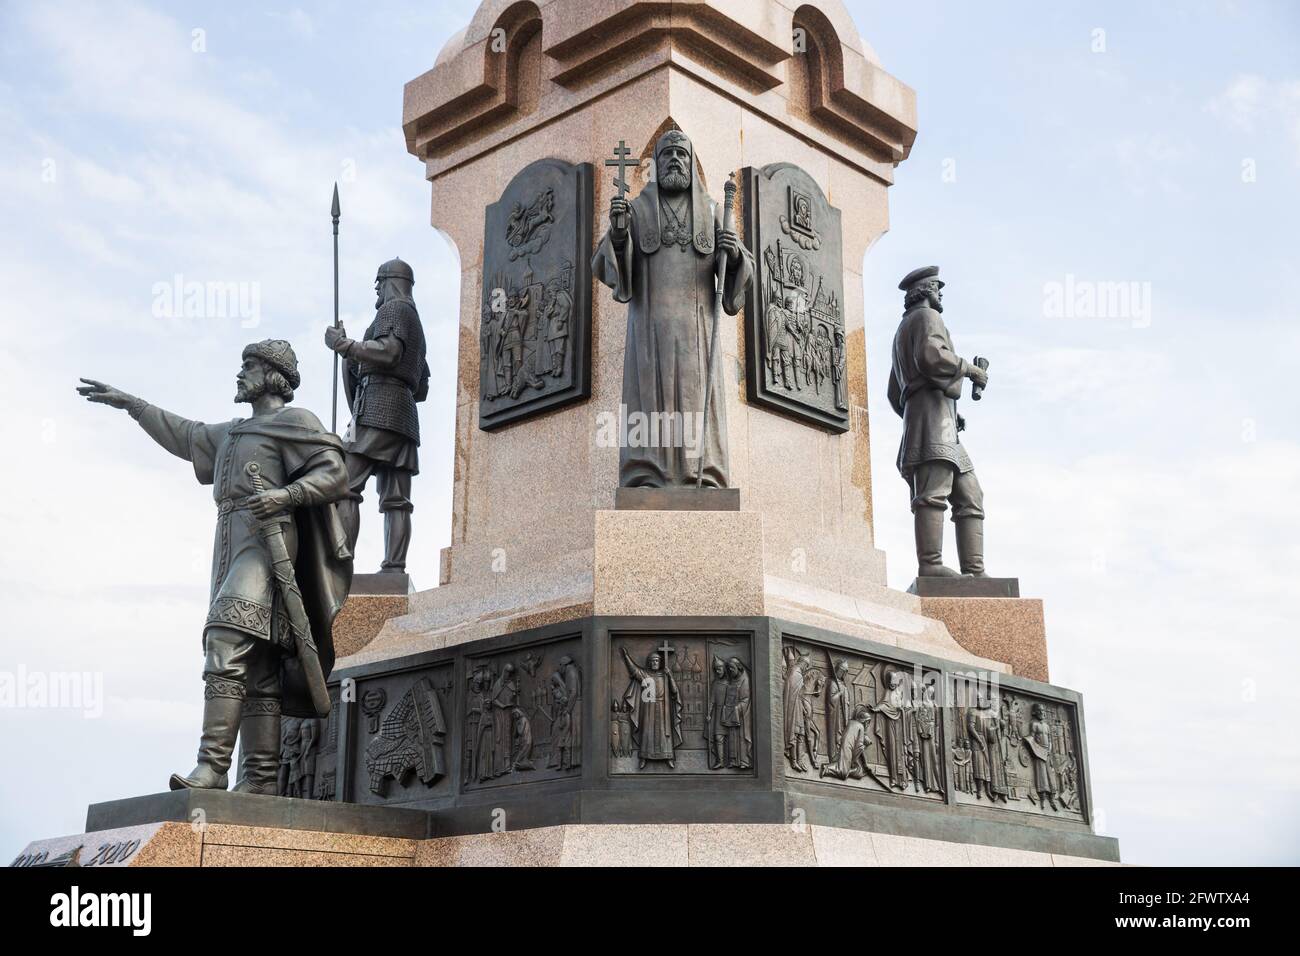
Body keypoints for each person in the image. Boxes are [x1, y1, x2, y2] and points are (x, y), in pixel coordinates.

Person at [77, 340, 352, 793]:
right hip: (228, 542)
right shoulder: (232, 432)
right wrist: (133, 405)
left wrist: (285, 496)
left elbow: (334, 474)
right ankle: (261, 779)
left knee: (224, 639)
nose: (240, 374)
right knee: (259, 662)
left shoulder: (296, 422)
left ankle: (212, 767)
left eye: (248, 366)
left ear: (272, 374)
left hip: (268, 542)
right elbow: (185, 434)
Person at [887, 266, 989, 577]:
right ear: (923, 291)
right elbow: (932, 356)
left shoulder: (902, 331)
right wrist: (970, 369)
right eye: (935, 286)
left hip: (936, 421)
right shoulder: (927, 318)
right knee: (933, 494)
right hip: (932, 426)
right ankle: (930, 566)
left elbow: (894, 394)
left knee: (970, 494)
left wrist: (943, 406)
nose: (940, 291)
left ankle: (975, 571)